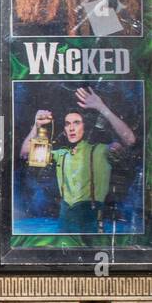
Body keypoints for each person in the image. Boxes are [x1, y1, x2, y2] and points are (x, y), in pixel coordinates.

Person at [18, 87, 135, 233]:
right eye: (67, 124)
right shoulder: (61, 154)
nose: (71, 128)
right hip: (65, 223)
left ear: (85, 126)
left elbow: (129, 139)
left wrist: (101, 107)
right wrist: (36, 126)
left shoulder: (100, 150)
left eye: (76, 123)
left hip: (90, 225)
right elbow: (24, 153)